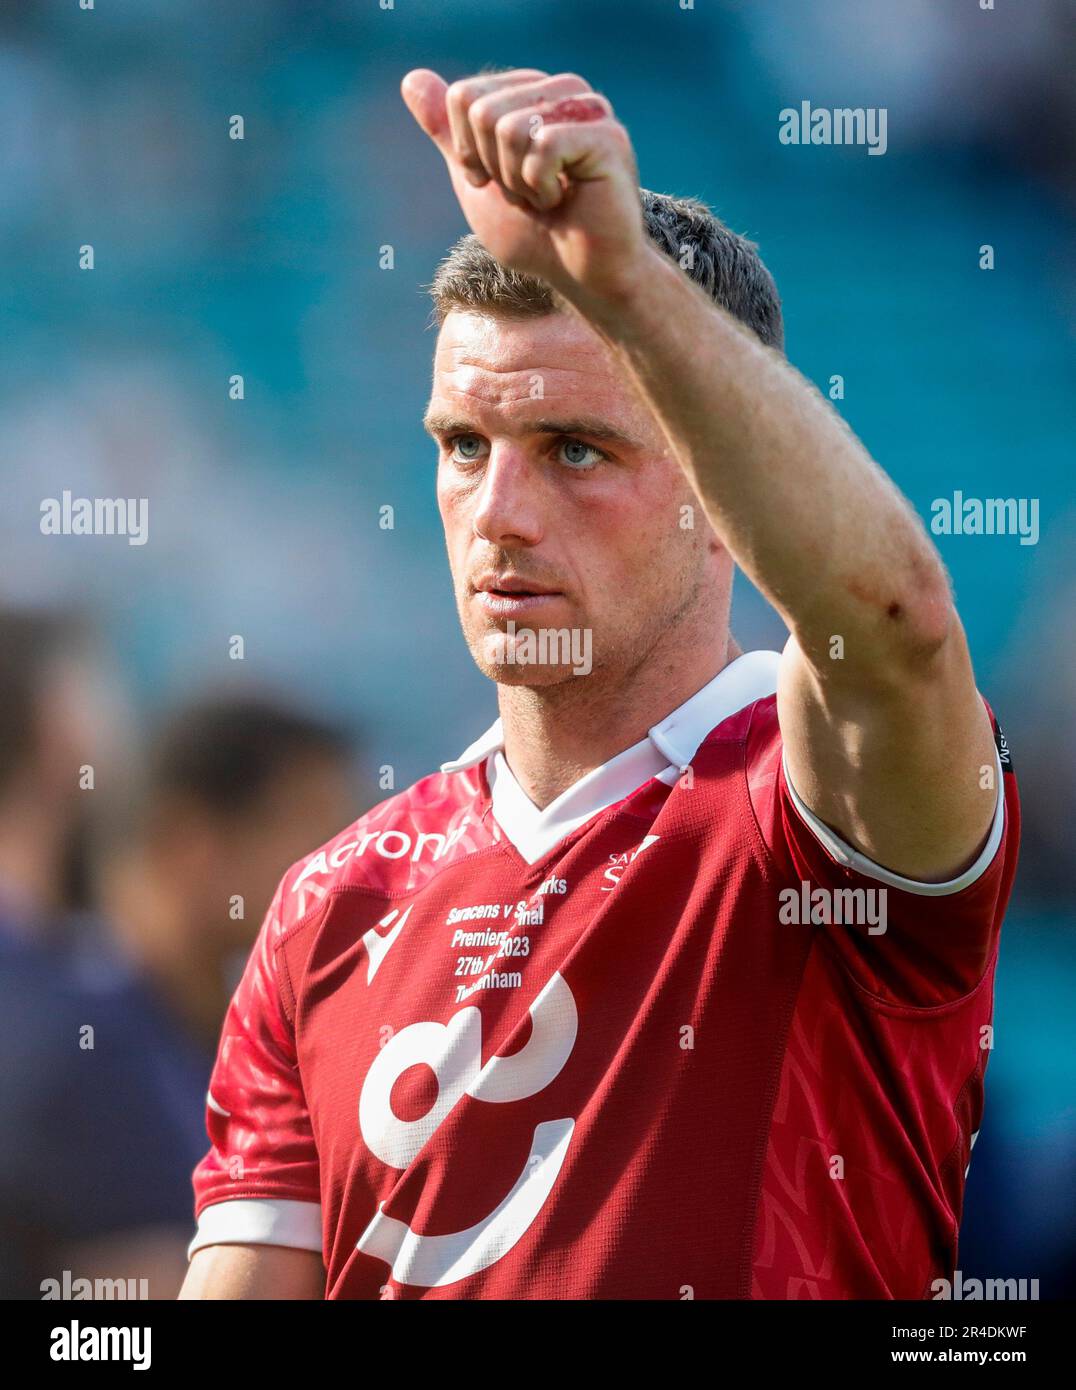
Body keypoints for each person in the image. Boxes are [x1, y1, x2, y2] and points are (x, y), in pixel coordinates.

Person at [180, 67, 1020, 1300]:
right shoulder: (327, 905)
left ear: (724, 498)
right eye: (464, 446)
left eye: (577, 449)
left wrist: (625, 284)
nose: (498, 517)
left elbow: (887, 625)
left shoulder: (815, 818)